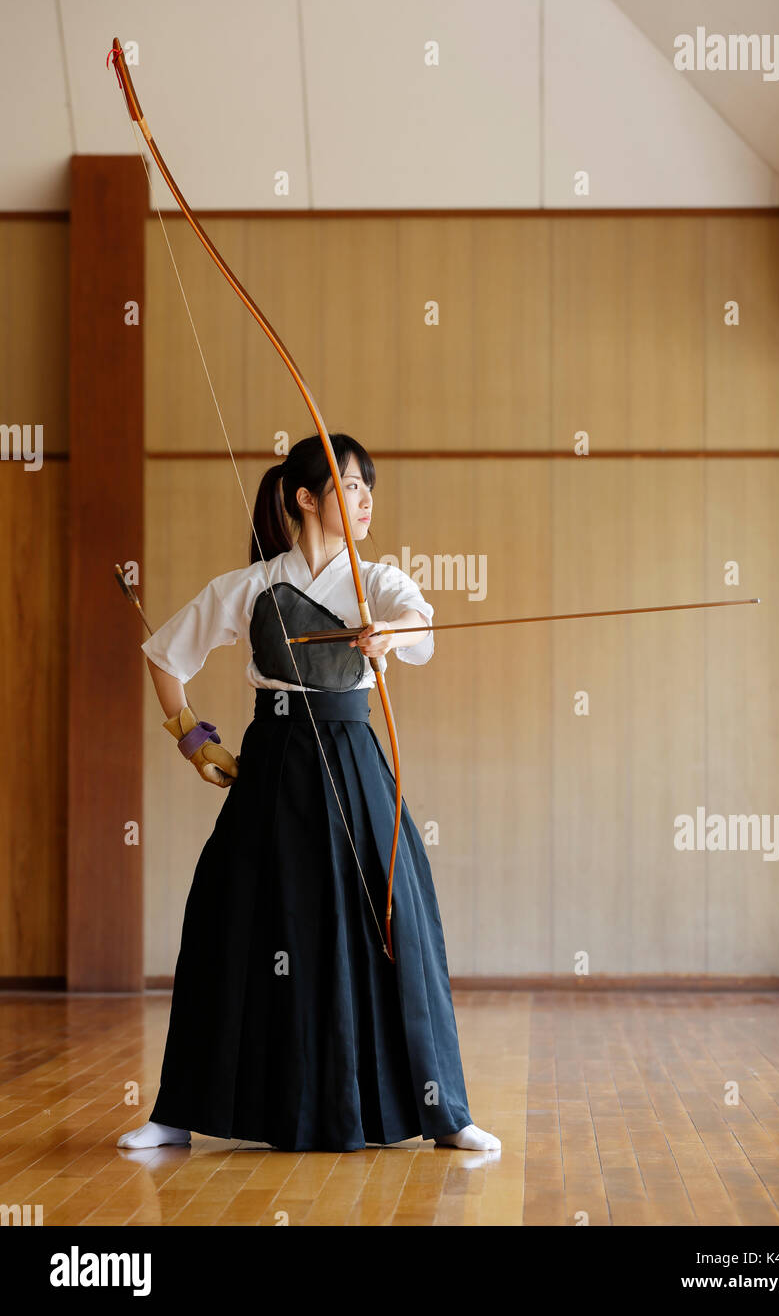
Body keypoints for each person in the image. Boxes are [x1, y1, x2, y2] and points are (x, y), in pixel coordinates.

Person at [117, 433, 500, 1154]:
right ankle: (177, 1112)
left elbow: (421, 626)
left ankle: (443, 1111)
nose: (364, 500)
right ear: (305, 496)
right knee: (226, 920)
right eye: (350, 486)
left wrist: (387, 633)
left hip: (353, 760)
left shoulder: (375, 579)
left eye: (367, 488)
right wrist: (194, 739)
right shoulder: (252, 585)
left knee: (395, 921)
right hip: (274, 765)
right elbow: (165, 656)